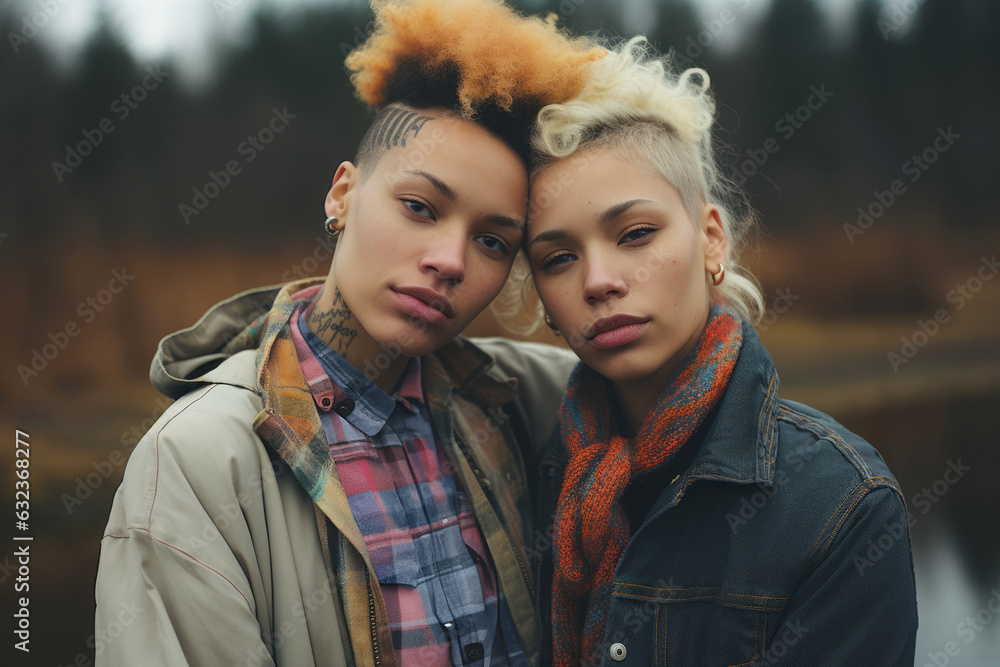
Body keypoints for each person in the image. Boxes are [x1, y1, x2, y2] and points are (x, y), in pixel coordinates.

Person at [94, 1, 602, 665]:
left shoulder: (521, 400)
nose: (450, 261)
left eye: (491, 240)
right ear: (342, 195)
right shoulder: (196, 462)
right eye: (419, 207)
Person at [523, 37, 919, 666]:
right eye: (558, 258)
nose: (598, 280)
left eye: (636, 234)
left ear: (711, 240)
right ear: (542, 293)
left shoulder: (840, 503)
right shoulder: (526, 474)